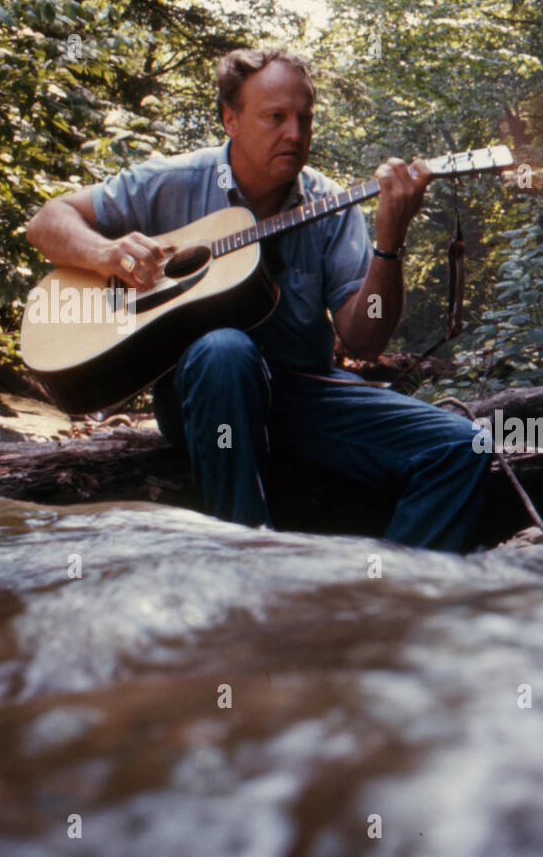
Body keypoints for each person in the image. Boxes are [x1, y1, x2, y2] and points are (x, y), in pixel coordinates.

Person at [24, 47, 492, 552]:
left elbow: (365, 335)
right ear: (231, 119)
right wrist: (105, 253)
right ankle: (247, 563)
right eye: (275, 118)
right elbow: (46, 222)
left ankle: (392, 604)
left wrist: (390, 242)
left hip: (306, 397)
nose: (295, 133)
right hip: (205, 396)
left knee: (465, 445)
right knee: (224, 349)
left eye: (304, 119)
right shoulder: (173, 181)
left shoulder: (329, 206)